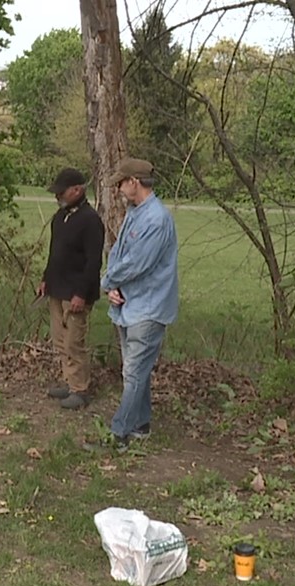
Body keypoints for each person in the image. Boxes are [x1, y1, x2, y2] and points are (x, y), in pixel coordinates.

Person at [99, 157, 179, 452]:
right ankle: (140, 425)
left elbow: (138, 263)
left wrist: (108, 281)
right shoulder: (136, 212)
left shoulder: (157, 219)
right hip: (129, 303)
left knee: (133, 371)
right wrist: (114, 287)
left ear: (135, 182)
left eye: (121, 183)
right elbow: (120, 253)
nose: (119, 189)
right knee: (136, 370)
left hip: (149, 307)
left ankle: (118, 433)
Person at [37, 167, 105, 410]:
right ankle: (68, 381)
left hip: (76, 292)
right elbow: (54, 253)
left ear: (77, 190)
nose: (58, 196)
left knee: (74, 342)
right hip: (56, 287)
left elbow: (93, 262)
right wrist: (46, 278)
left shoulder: (90, 220)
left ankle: (80, 389)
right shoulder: (59, 217)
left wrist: (81, 293)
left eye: (62, 192)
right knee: (60, 340)